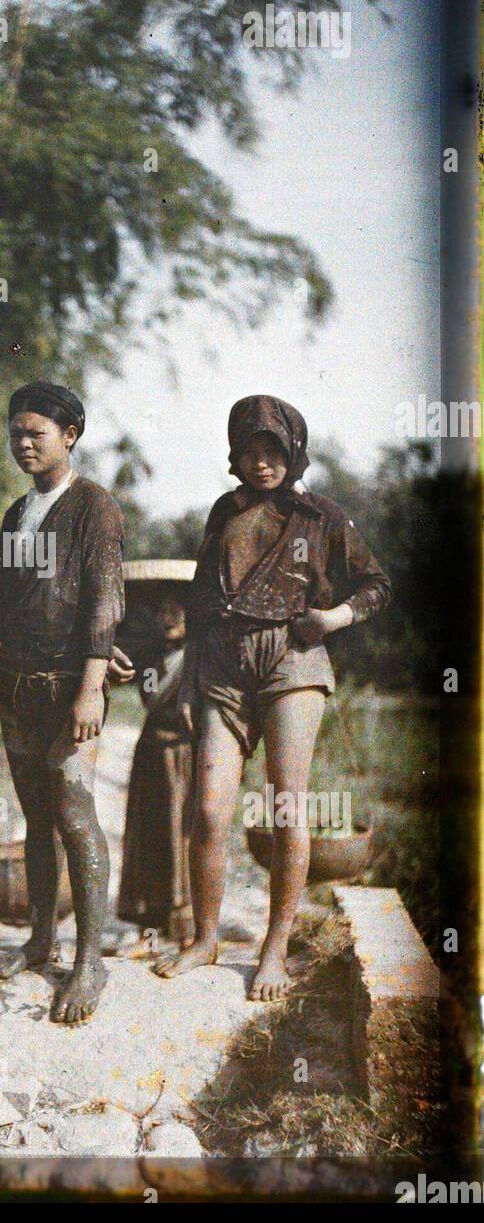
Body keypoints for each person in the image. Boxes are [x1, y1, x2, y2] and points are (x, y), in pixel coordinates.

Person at [159, 395, 391, 1001]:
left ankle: (274, 950)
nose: (262, 463)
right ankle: (206, 937)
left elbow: (377, 584)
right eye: (250, 451)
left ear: (293, 454)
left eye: (274, 451)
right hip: (221, 668)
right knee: (208, 810)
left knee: (286, 803)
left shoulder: (323, 515)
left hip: (292, 660)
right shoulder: (221, 513)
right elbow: (202, 606)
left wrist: (334, 616)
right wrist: (187, 684)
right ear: (234, 458)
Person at [0, 381, 125, 1025]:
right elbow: (9, 605)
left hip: (71, 690)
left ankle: (89, 961)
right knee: (35, 821)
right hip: (17, 685)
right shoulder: (16, 514)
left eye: (35, 433)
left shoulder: (95, 507)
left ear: (68, 436)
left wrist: (91, 686)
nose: (23, 443)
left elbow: (103, 602)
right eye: (16, 433)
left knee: (74, 816)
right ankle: (41, 941)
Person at [116, 599, 195, 947]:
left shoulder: (200, 657)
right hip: (153, 750)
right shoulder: (149, 660)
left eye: (178, 612)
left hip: (187, 751)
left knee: (185, 833)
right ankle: (148, 929)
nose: (170, 620)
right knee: (148, 836)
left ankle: (186, 926)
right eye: (163, 613)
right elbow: (150, 698)